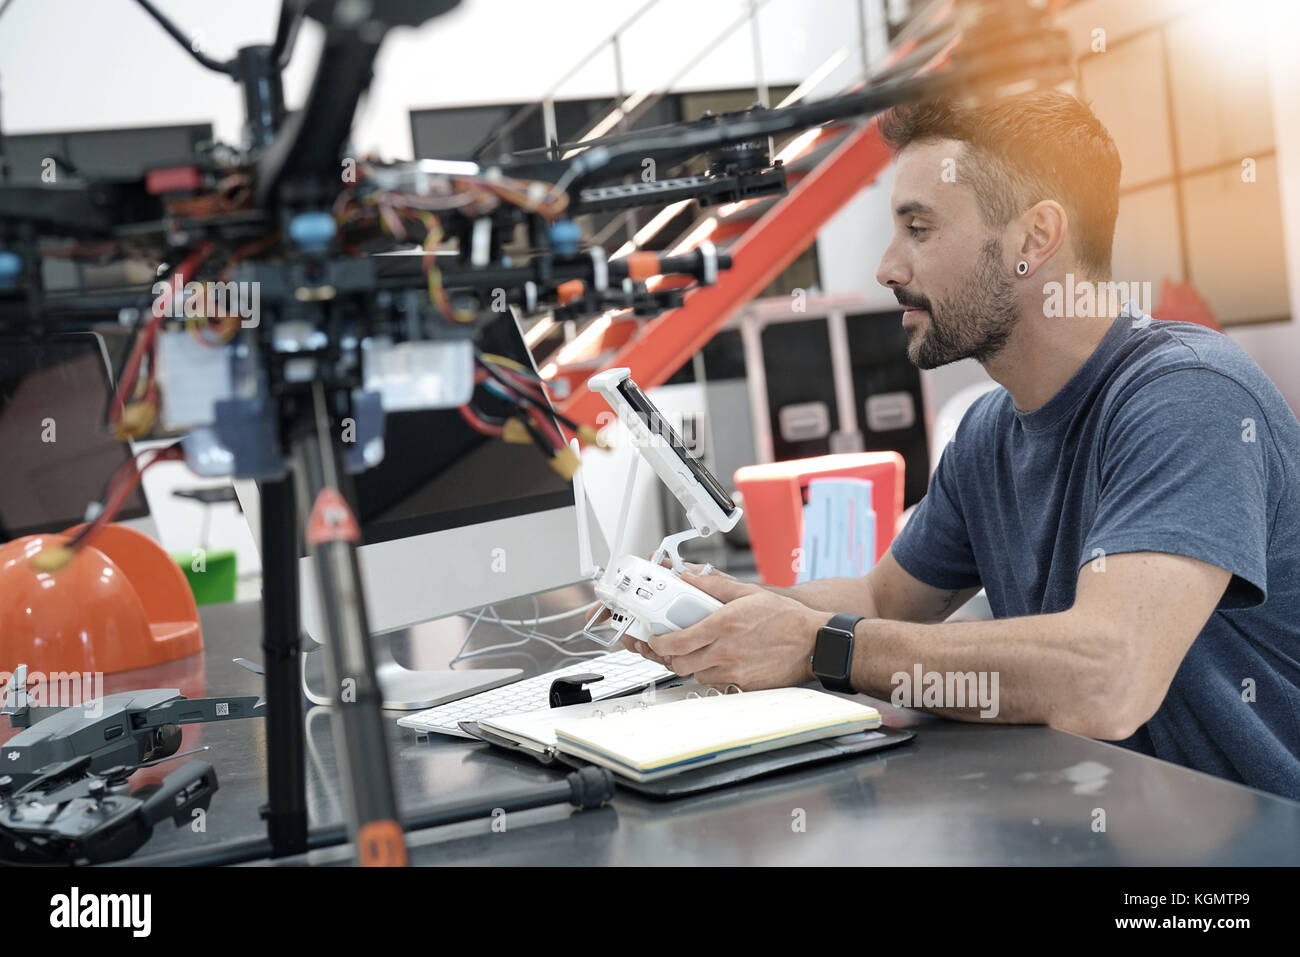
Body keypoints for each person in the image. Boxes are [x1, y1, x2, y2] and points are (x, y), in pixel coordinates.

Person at [623, 91, 1300, 800]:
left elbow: (1110, 676)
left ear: (1034, 241)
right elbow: (882, 596)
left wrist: (824, 643)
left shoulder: (1190, 397)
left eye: (918, 228)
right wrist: (733, 613)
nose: (887, 268)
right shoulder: (990, 431)